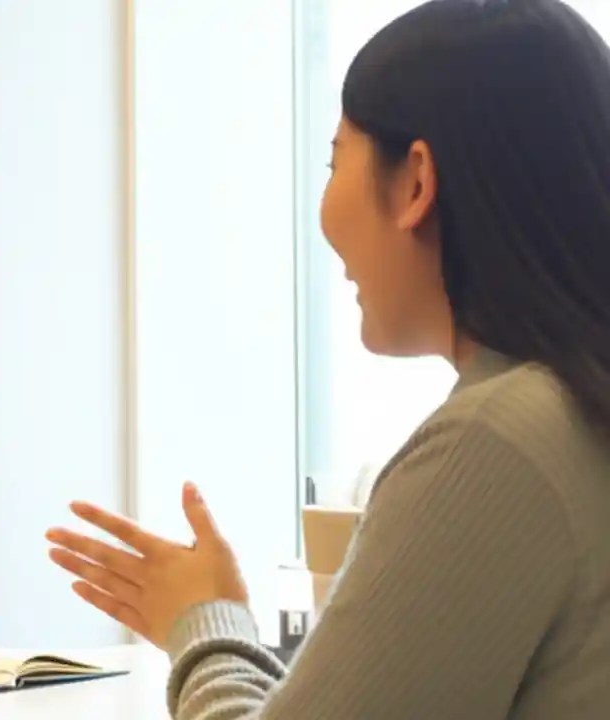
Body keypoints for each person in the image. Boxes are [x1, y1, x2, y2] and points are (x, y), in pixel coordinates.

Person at [46, 0, 610, 717]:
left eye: (335, 160)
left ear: (415, 183)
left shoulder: (497, 443)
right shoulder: (574, 412)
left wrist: (205, 622)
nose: (324, 211)